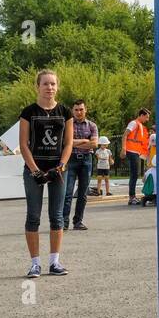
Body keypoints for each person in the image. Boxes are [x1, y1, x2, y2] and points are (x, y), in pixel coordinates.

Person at [19, 69, 73, 278]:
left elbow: (68, 143)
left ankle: (55, 261)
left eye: (53, 84)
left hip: (58, 170)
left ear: (57, 87)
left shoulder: (65, 112)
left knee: (57, 216)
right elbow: (23, 144)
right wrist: (35, 171)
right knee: (33, 216)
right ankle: (35, 263)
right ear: (37, 87)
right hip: (35, 169)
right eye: (45, 84)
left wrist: (61, 165)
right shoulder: (29, 112)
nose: (49, 88)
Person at [63, 99, 98, 231]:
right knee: (67, 192)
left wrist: (73, 143)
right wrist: (84, 140)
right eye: (76, 110)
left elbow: (94, 144)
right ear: (72, 110)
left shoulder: (92, 126)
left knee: (83, 193)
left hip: (86, 160)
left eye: (81, 109)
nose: (78, 112)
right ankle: (64, 222)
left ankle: (78, 221)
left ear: (85, 110)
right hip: (70, 159)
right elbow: (64, 142)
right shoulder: (68, 125)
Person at [123, 108, 151, 206]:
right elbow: (125, 135)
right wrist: (123, 149)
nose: (147, 120)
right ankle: (132, 197)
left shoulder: (140, 126)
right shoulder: (134, 123)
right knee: (134, 174)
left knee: (135, 174)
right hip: (131, 151)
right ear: (141, 115)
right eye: (146, 117)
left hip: (135, 152)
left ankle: (132, 197)